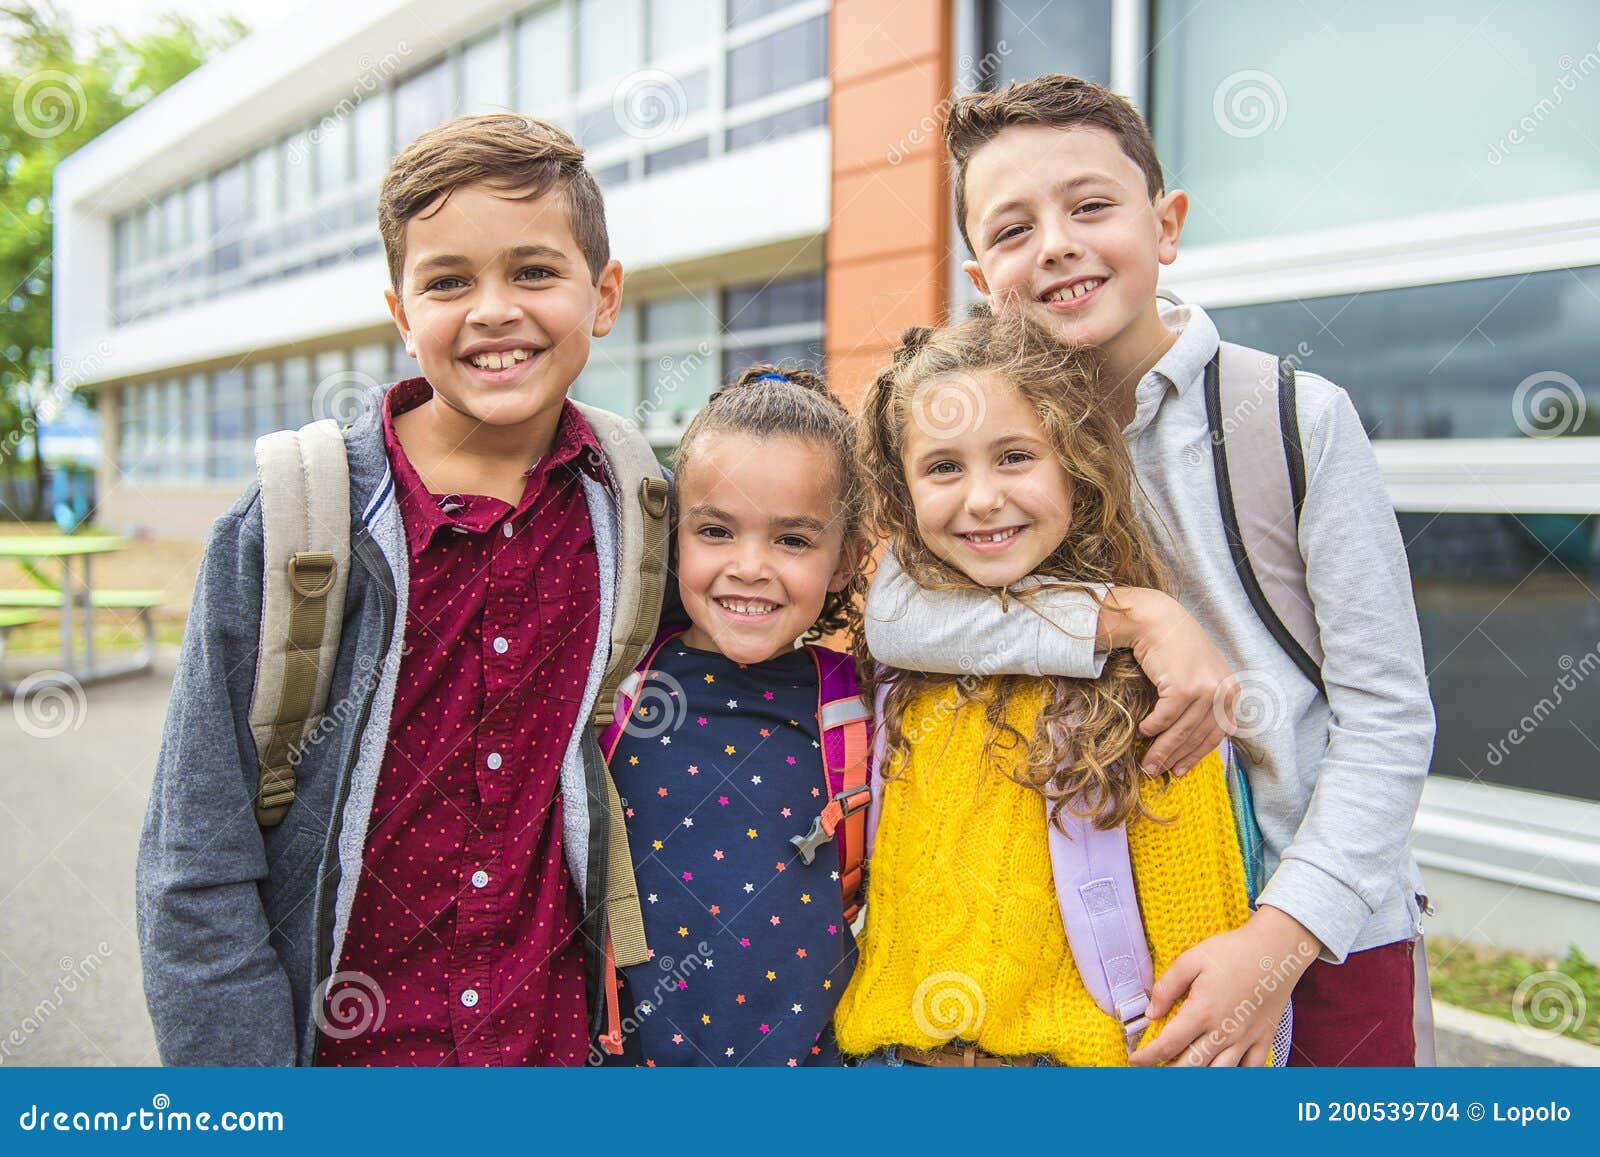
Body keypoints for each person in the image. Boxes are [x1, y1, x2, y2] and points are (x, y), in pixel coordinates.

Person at [865, 74, 1435, 1066]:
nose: (1054, 245)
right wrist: (1132, 618)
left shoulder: (1294, 416)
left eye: (1090, 206)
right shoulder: (993, 435)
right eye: (1011, 230)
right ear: (978, 279)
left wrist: (1281, 936)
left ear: (1163, 224)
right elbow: (898, 612)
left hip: (1317, 916)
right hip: (1120, 934)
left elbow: (1387, 711)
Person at [136, 114, 666, 1066]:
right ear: (401, 313)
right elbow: (194, 867)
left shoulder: (634, 510)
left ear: (605, 293)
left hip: (549, 1056)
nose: (493, 309)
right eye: (449, 281)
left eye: (535, 271)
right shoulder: (295, 521)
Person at [834, 313, 1259, 1066]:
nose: (983, 497)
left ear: (1075, 462)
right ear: (902, 491)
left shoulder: (1149, 688)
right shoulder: (900, 675)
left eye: (1015, 456)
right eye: (942, 468)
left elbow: (1200, 949)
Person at [599, 365, 871, 1066]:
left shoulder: (862, 703)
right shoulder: (615, 691)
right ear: (673, 539)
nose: (749, 566)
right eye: (717, 530)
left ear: (846, 559)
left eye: (793, 540)